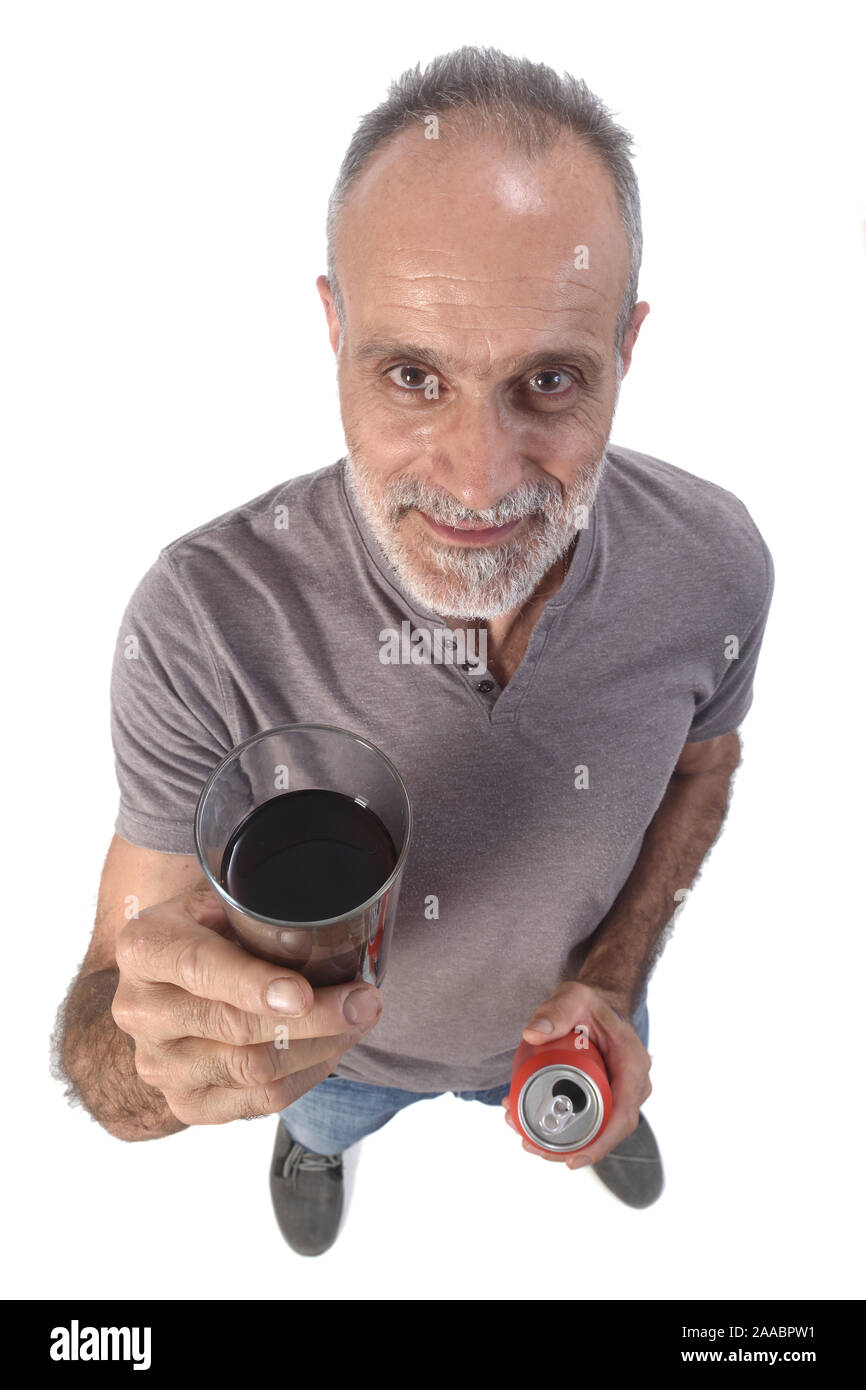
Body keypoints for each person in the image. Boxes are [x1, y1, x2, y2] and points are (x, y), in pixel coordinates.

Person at [53, 47, 774, 1257]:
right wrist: (161, 1063)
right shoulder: (200, 616)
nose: (478, 482)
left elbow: (702, 767)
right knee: (327, 1117)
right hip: (341, 1057)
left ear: (626, 346)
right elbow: (107, 1014)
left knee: (583, 1107)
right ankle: (316, 1146)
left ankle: (582, 1108)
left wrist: (611, 974)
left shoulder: (714, 561)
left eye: (549, 380)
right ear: (331, 329)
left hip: (568, 1032)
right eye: (411, 374)